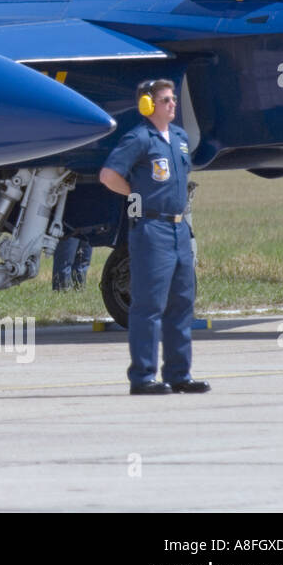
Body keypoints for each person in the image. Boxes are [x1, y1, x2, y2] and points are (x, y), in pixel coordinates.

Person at [99, 79, 210, 395]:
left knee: (182, 303)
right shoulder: (139, 139)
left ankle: (179, 374)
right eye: (165, 100)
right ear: (148, 106)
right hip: (152, 229)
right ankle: (143, 377)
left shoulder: (179, 138)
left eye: (173, 98)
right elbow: (108, 176)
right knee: (148, 305)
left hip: (178, 228)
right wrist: (135, 194)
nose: (173, 104)